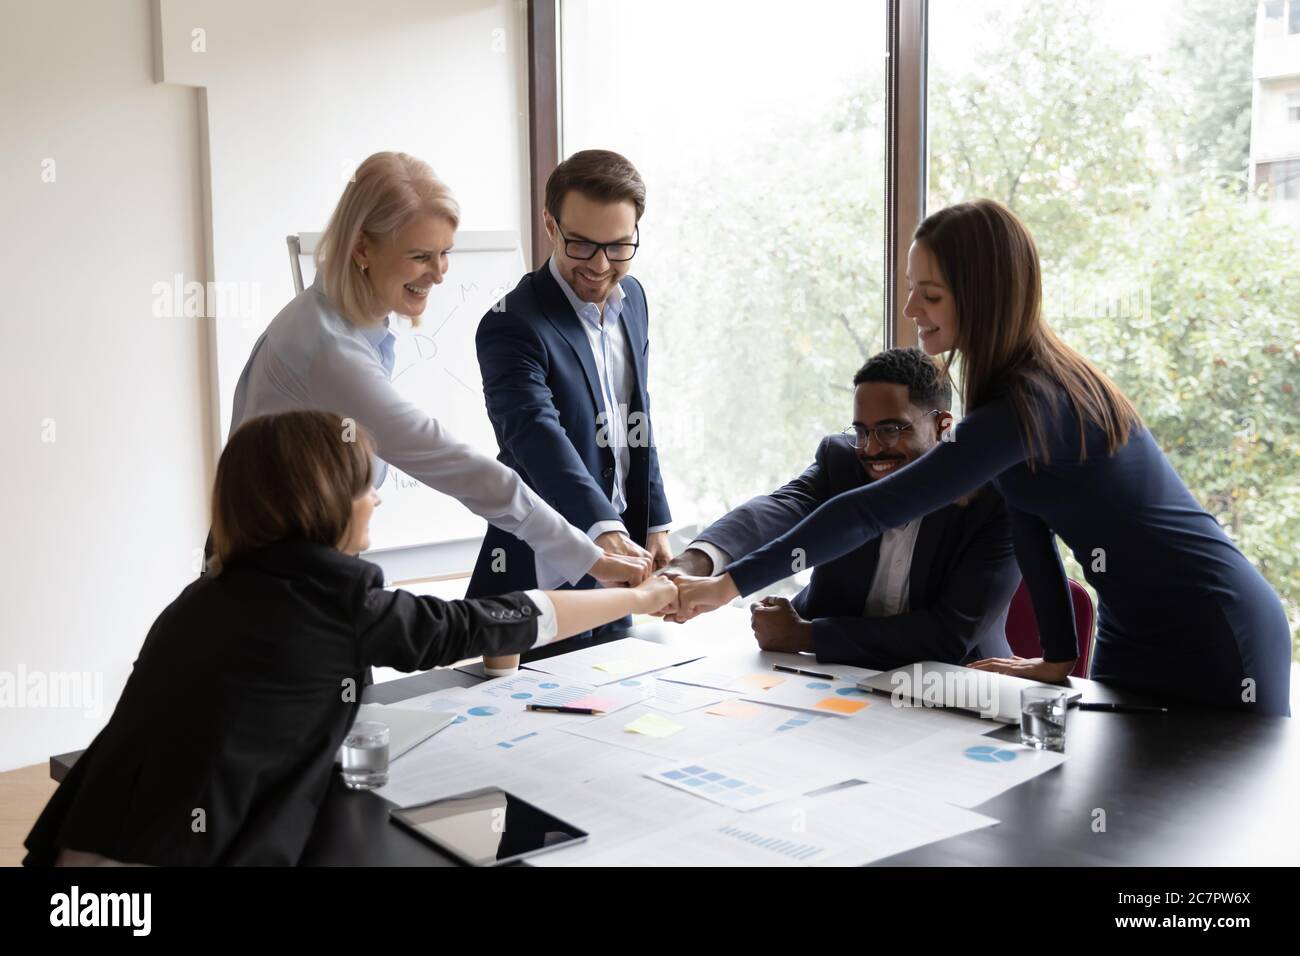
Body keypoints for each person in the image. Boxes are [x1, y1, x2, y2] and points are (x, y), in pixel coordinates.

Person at [671, 199, 1291, 717]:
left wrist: (726, 585)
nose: (912, 310)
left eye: (931, 295)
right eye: (914, 290)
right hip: (1133, 626)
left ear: (983, 297)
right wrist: (1057, 656)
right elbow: (1031, 530)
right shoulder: (1009, 397)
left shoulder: (1032, 401)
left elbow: (873, 511)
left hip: (1214, 626)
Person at [23, 411, 678, 867]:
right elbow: (493, 622)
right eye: (367, 487)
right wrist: (643, 597)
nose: (377, 502)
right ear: (326, 501)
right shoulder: (334, 605)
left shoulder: (208, 594)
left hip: (84, 846)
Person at [224, 151, 649, 591]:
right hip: (273, 593)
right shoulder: (328, 347)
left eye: (445, 253)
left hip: (307, 580)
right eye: (421, 256)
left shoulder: (353, 321)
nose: (440, 274)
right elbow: (453, 463)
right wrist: (591, 553)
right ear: (363, 249)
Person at [661, 348, 1019, 670]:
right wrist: (694, 563)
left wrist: (805, 636)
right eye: (862, 432)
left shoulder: (994, 498)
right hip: (823, 680)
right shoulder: (842, 463)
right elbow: (778, 510)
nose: (872, 450)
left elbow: (947, 637)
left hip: (956, 690)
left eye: (891, 430)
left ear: (942, 426)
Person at [467, 150, 672, 642]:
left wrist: (655, 520)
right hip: (538, 571)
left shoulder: (634, 300)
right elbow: (535, 434)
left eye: (620, 246)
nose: (601, 266)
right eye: (581, 244)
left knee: (612, 709)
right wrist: (603, 529)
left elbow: (634, 414)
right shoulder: (511, 323)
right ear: (550, 225)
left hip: (618, 558)